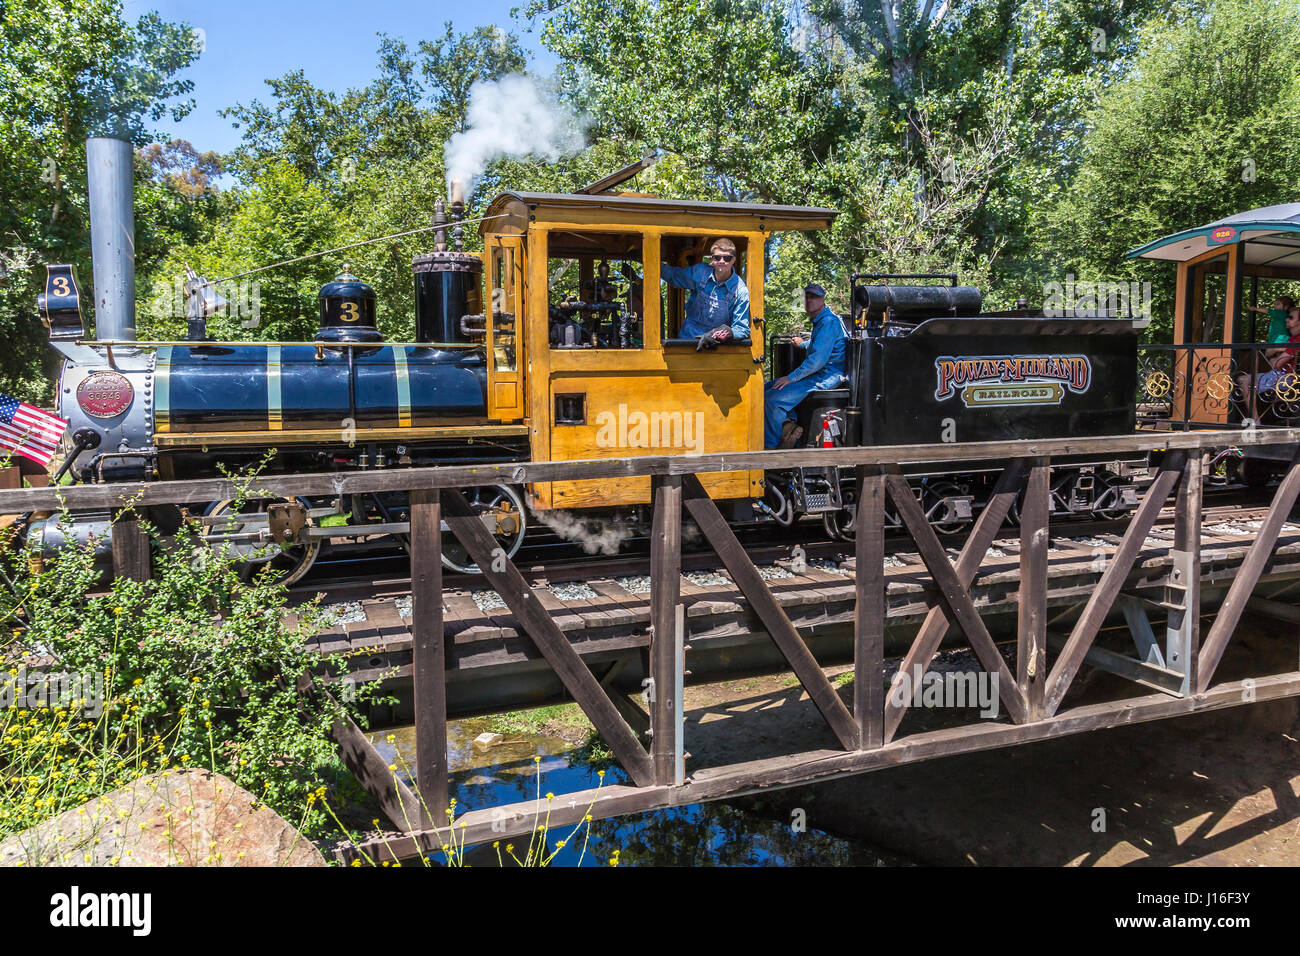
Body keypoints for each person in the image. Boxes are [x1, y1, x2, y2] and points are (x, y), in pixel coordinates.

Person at [764, 283, 848, 448]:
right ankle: (789, 428)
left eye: (814, 297)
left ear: (823, 299)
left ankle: (772, 447)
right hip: (818, 373)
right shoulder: (823, 320)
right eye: (807, 297)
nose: (809, 301)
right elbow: (820, 345)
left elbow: (817, 361)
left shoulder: (829, 322)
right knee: (764, 389)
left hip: (825, 376)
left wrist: (791, 378)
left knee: (771, 399)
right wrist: (802, 344)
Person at [660, 238, 750, 348]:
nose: (722, 261)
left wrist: (724, 333)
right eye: (717, 257)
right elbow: (674, 276)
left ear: (733, 260)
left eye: (727, 258)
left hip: (716, 349)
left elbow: (742, 329)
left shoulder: (740, 291)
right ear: (712, 259)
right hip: (686, 343)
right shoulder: (700, 272)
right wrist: (652, 262)